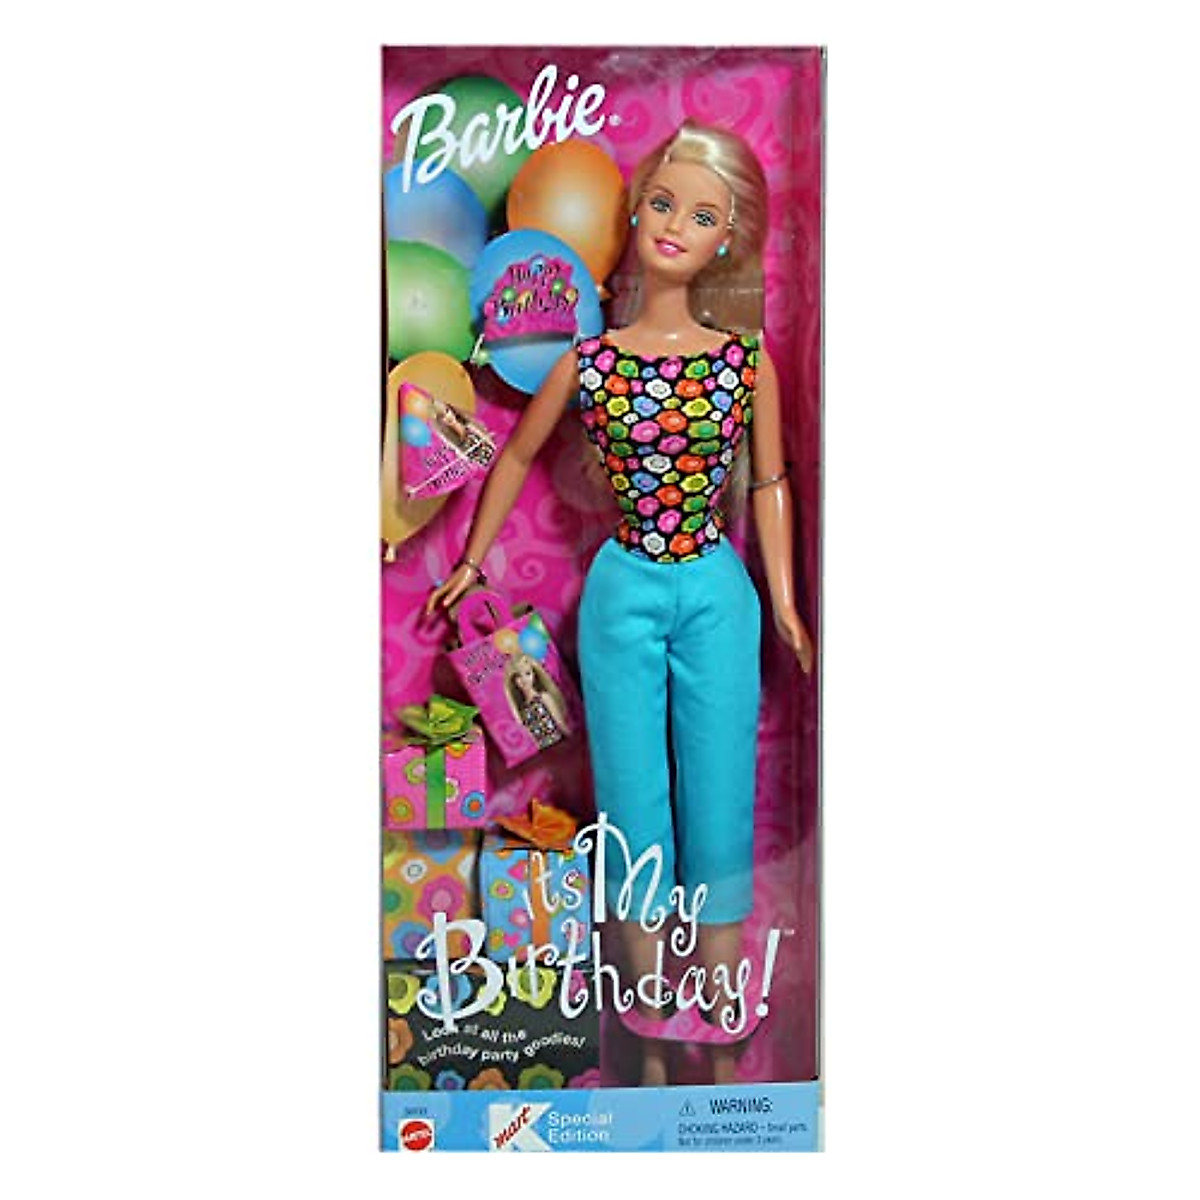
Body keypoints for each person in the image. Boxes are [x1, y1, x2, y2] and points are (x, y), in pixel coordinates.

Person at [427, 119, 814, 1084]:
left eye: (702, 216)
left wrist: (787, 602)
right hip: (623, 588)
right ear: (635, 212)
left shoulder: (743, 363)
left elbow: (771, 483)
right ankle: (644, 1041)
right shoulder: (590, 362)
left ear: (727, 239)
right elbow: (516, 453)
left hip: (716, 587)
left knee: (720, 808)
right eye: (663, 204)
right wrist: (471, 560)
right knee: (634, 810)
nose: (675, 225)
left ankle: (716, 1035)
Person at [504, 651, 571, 750]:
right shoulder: (522, 708)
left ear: (534, 674)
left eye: (528, 673)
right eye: (518, 676)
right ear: (513, 681)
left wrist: (572, 737)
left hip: (558, 744)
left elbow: (560, 722)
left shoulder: (543, 697)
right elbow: (524, 729)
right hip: (542, 749)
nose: (524, 679)